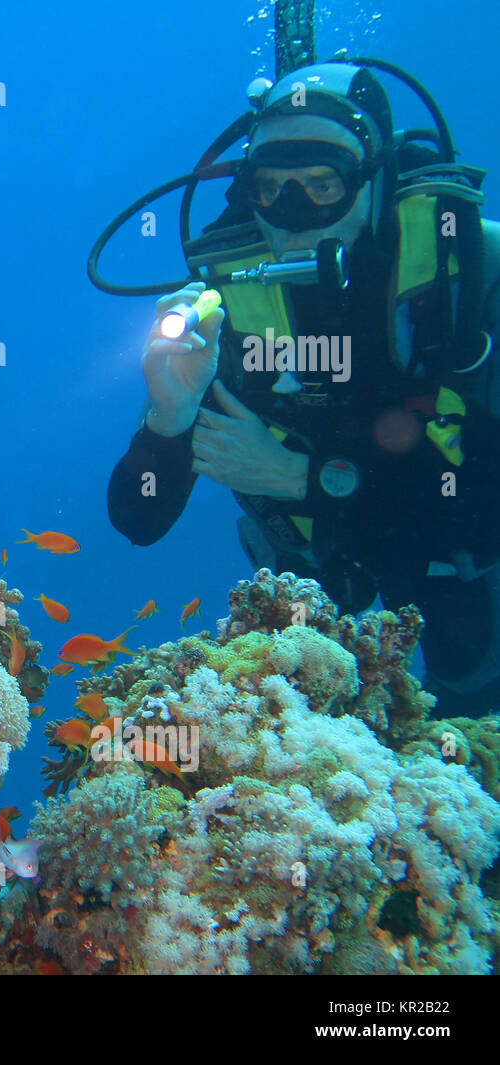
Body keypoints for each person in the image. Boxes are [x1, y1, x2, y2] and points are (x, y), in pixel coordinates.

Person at [107, 62, 500, 716]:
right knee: (295, 721)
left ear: (374, 180)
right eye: (271, 188)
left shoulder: (473, 275)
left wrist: (307, 477)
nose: (294, 216)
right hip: (316, 576)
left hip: (462, 558)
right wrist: (168, 416)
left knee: (475, 708)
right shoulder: (224, 302)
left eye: (323, 185)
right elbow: (137, 519)